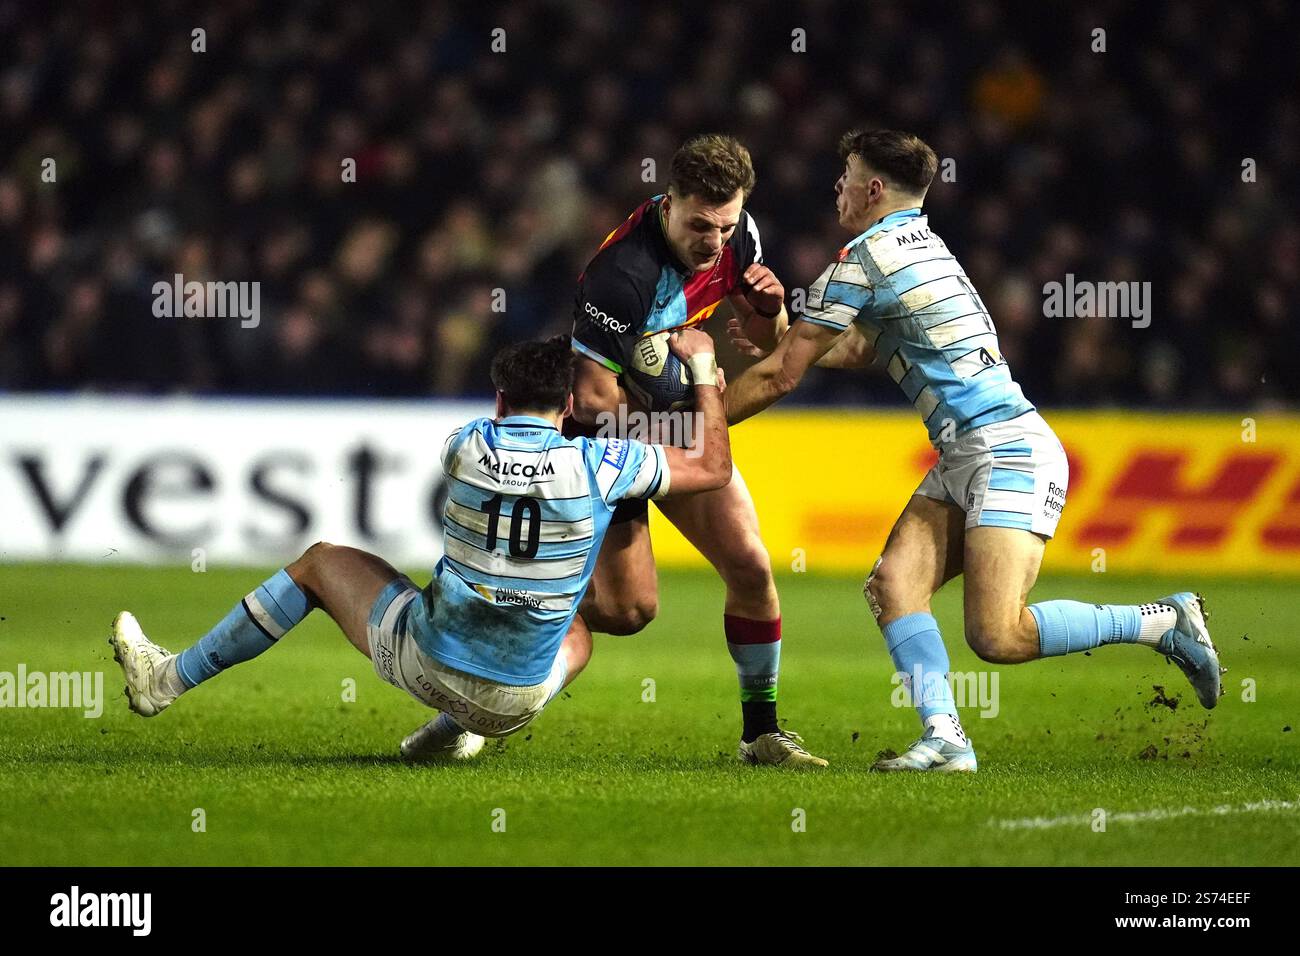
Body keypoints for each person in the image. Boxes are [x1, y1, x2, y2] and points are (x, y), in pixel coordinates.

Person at [721, 128, 1223, 772]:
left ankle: (1160, 622)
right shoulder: (922, 246)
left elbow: (784, 377)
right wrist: (783, 340)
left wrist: (692, 427)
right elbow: (864, 348)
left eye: (845, 174)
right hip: (967, 454)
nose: (837, 187)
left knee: (998, 635)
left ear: (873, 188)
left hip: (1006, 450)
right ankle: (946, 739)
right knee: (894, 584)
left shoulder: (867, 258)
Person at [109, 331, 748, 762]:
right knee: (574, 627)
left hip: (427, 666)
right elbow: (713, 467)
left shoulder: (464, 444)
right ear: (571, 406)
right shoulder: (604, 464)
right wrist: (701, 373)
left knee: (319, 564)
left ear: (500, 400)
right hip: (518, 700)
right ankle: (462, 729)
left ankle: (165, 679)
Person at [569, 133, 826, 768]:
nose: (712, 242)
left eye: (725, 225)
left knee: (752, 567)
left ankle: (760, 734)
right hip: (609, 442)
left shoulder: (740, 237)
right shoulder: (621, 274)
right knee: (628, 612)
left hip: (676, 426)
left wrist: (770, 310)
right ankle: (526, 607)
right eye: (699, 225)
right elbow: (592, 400)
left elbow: (769, 344)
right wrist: (684, 427)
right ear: (669, 200)